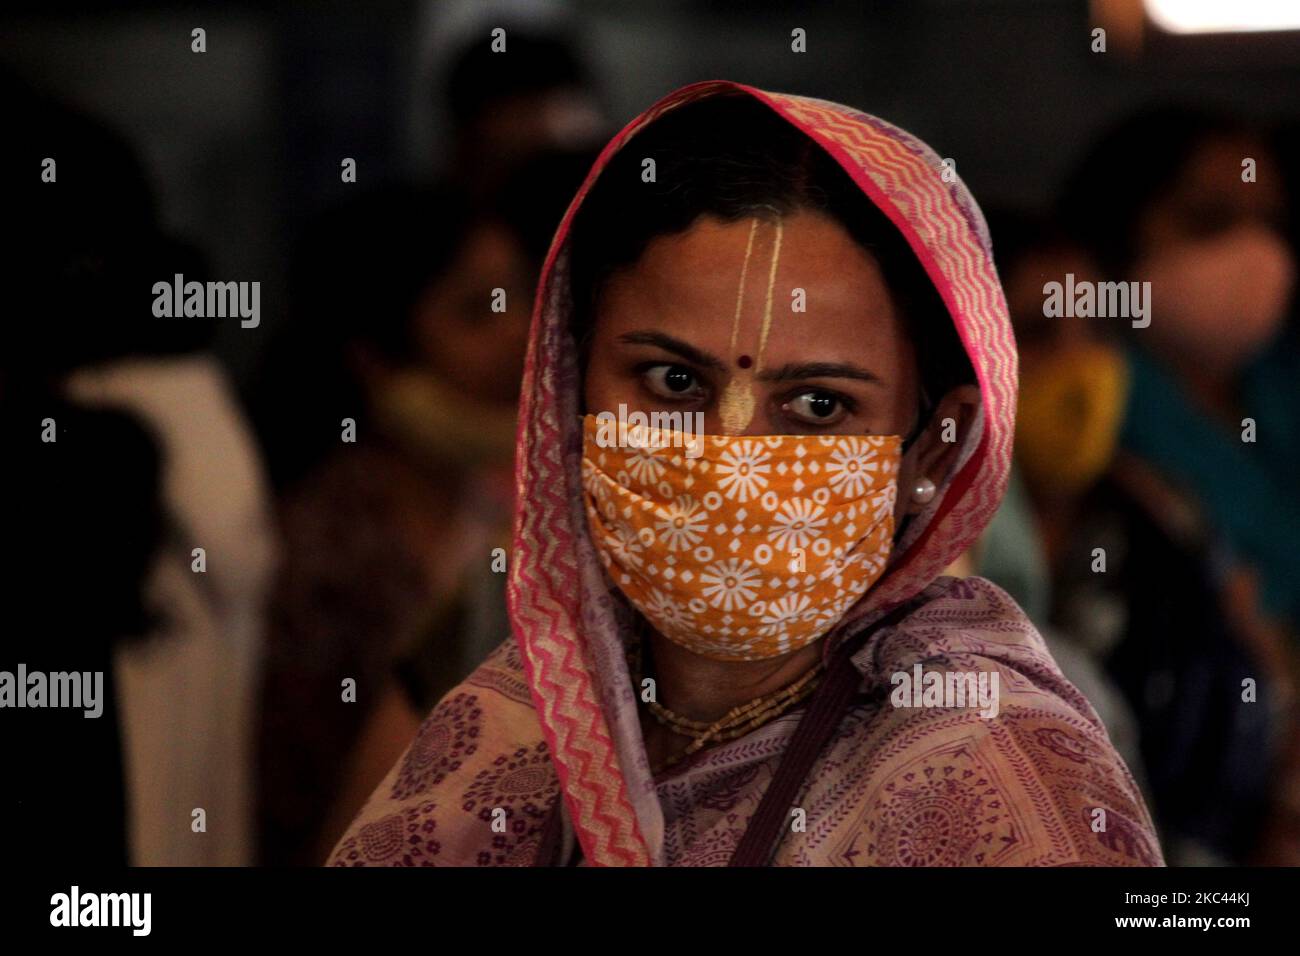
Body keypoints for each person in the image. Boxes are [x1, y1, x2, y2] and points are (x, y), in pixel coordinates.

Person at [329, 82, 1161, 867]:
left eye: (819, 405)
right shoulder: (503, 734)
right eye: (676, 382)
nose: (733, 454)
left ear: (933, 450)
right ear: (569, 390)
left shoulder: (995, 780)